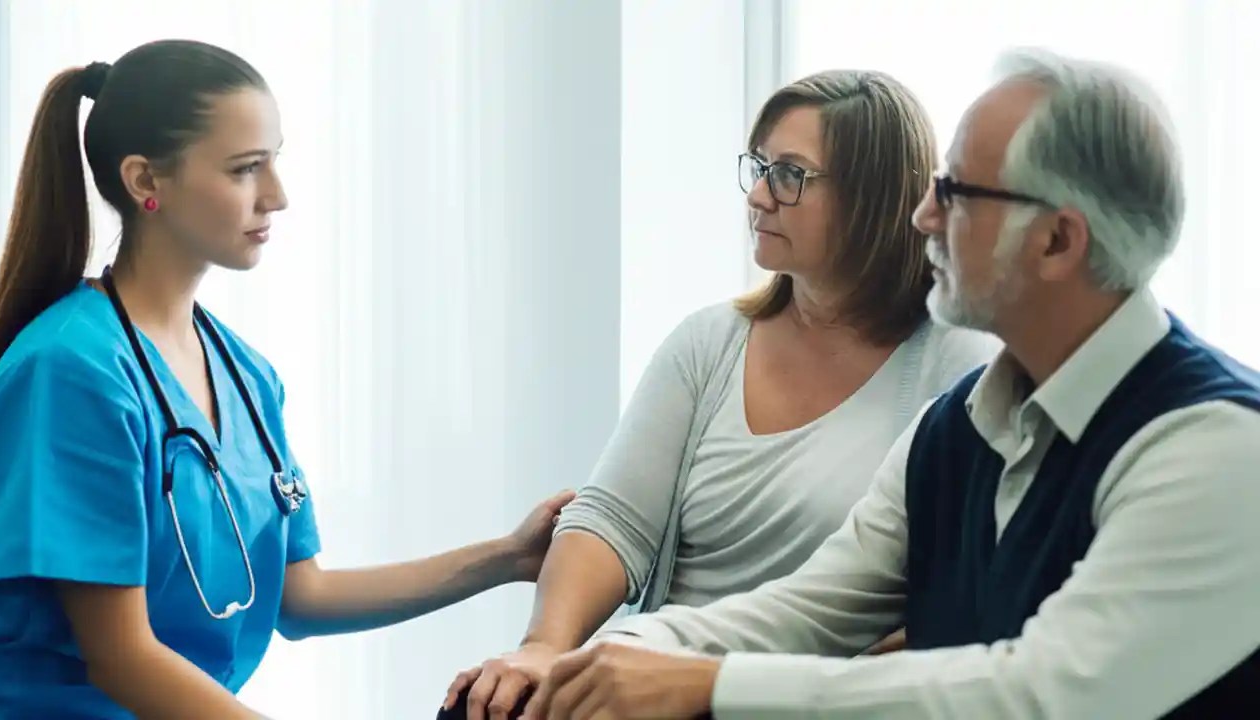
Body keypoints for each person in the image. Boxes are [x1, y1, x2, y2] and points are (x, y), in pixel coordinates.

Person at [515, 47, 1260, 720]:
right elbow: (806, 607)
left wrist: (709, 686)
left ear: (1058, 240)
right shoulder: (955, 428)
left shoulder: (1218, 445)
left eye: (957, 193)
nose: (922, 215)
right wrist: (610, 659)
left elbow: (1049, 694)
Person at [0, 40, 575, 720]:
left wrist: (505, 557)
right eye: (245, 169)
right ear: (146, 181)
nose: (277, 196)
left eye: (275, 161)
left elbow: (300, 598)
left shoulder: (247, 376)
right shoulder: (71, 372)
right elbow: (122, 658)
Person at [442, 69, 1002, 719]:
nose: (759, 196)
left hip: (806, 696)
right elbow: (611, 522)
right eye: (760, 166)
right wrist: (544, 647)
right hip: (657, 674)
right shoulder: (709, 342)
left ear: (872, 198)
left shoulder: (959, 365)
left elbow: (947, 613)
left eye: (790, 174)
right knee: (480, 707)